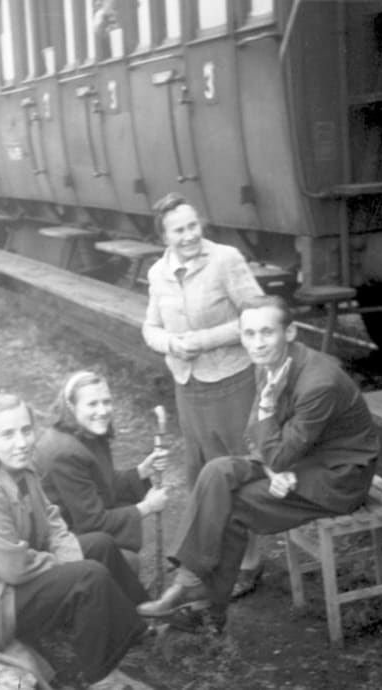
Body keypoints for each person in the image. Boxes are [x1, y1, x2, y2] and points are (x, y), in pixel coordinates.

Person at [136, 296, 380, 633]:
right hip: (297, 457)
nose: (257, 343)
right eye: (248, 334)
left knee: (232, 505)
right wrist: (271, 470)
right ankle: (191, 586)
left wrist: (273, 449)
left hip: (336, 476)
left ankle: (205, 607)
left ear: (290, 332)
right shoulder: (273, 362)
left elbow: (277, 448)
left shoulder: (318, 382)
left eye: (267, 332)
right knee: (217, 471)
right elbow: (259, 438)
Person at [0, 393, 150, 690]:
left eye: (26, 430)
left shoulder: (22, 471)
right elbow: (13, 568)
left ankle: (138, 620)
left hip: (18, 579)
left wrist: (71, 555)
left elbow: (53, 521)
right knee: (88, 577)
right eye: (8, 434)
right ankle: (102, 677)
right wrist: (68, 567)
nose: (21, 442)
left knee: (100, 544)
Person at [142, 192, 266, 598]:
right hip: (189, 387)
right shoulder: (158, 273)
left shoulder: (225, 259)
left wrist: (202, 339)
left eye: (193, 225)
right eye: (179, 230)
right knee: (201, 476)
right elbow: (150, 328)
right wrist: (170, 344)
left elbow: (256, 317)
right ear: (164, 235)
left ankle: (248, 563)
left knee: (238, 473)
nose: (189, 235)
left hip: (232, 381)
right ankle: (209, 557)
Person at [36, 370, 169, 576]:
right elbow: (91, 521)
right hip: (62, 539)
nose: (103, 411)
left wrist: (142, 471)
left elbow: (100, 482)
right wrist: (147, 507)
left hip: (79, 527)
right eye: (92, 404)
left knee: (127, 561)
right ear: (71, 406)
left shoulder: (86, 433)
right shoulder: (64, 453)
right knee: (128, 562)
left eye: (106, 402)